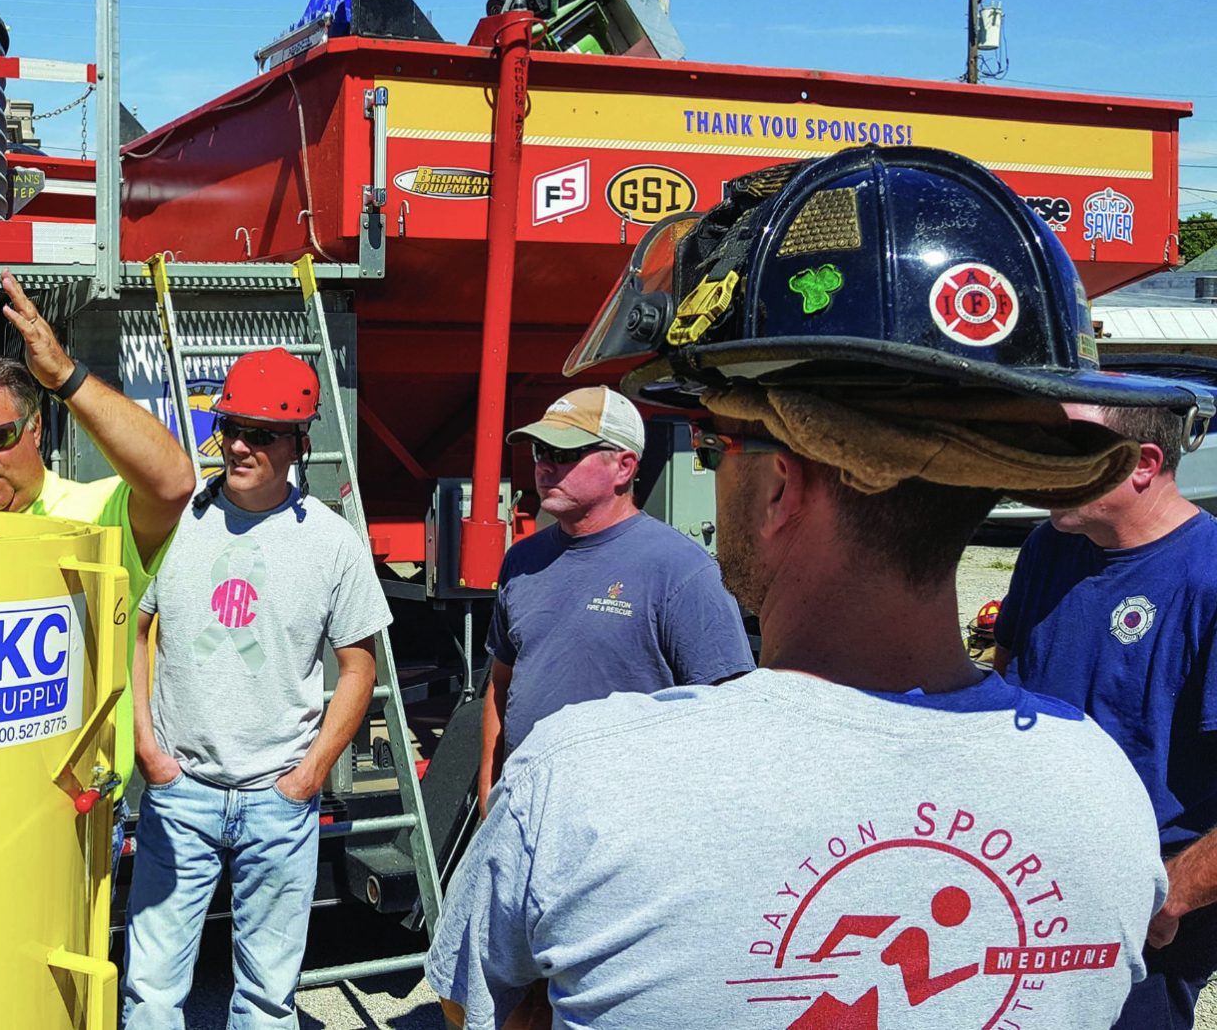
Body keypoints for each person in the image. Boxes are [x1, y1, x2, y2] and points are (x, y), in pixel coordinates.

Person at [427, 145, 1209, 1028]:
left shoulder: (579, 783)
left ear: (780, 488)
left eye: (720, 447)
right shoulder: (1101, 795)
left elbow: (476, 1013)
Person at [120, 348, 388, 1030]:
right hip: (182, 794)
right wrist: (150, 752)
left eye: (261, 433)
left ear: (300, 443)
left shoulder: (332, 544)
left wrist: (308, 775)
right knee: (149, 992)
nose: (237, 444)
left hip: (278, 802)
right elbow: (136, 631)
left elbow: (360, 666)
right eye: (229, 426)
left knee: (267, 1001)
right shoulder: (175, 520)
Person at [0, 268, 197, 796]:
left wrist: (65, 375)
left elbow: (174, 482)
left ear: (35, 428)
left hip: (71, 815)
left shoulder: (96, 515)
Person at [994, 402, 1217, 1028]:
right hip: (1021, 880)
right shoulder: (1050, 548)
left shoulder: (1208, 577)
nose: (1042, 469)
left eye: (1067, 451)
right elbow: (1007, 679)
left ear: (1144, 464)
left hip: (1142, 916)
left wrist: (1173, 897)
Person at [477, 384, 752, 809]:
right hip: (523, 820)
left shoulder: (683, 572)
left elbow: (730, 724)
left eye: (565, 453)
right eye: (540, 452)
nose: (546, 466)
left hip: (624, 830)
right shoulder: (522, 560)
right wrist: (488, 805)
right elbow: (501, 687)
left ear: (623, 467)